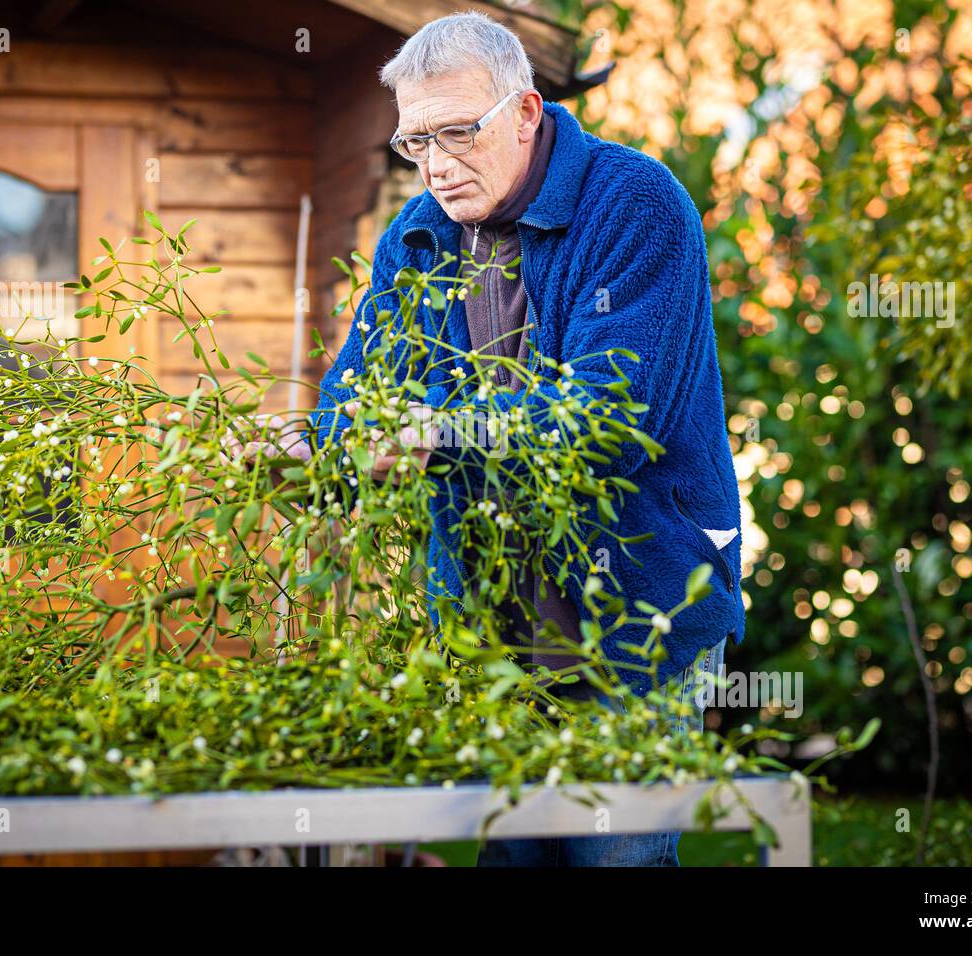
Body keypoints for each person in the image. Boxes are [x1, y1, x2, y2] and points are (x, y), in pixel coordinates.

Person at [307, 11, 745, 866]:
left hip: (638, 621)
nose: (435, 164)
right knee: (512, 857)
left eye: (457, 132)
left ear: (526, 113)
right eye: (415, 141)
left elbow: (608, 419)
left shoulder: (636, 206)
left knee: (616, 856)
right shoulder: (417, 238)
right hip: (491, 633)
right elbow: (361, 388)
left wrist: (440, 434)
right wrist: (312, 446)